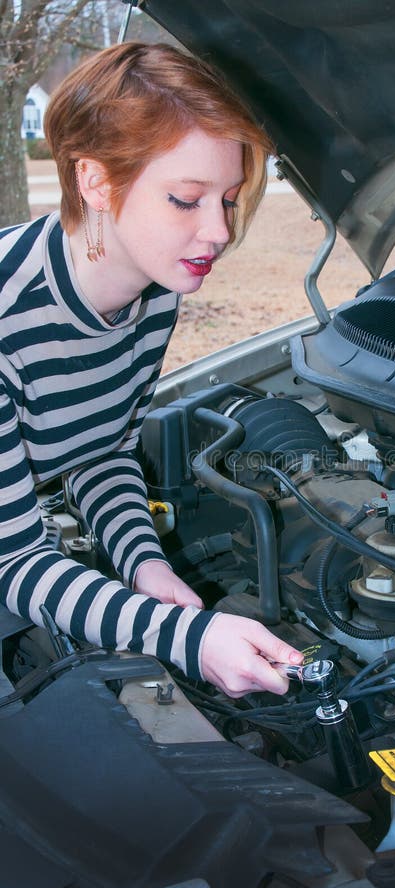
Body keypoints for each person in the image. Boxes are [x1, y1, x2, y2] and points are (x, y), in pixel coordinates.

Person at [0, 42, 303, 698]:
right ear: (94, 181)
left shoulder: (155, 291)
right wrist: (184, 638)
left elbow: (102, 453)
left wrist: (143, 564)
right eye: (186, 200)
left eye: (228, 199)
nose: (218, 231)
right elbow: (13, 563)